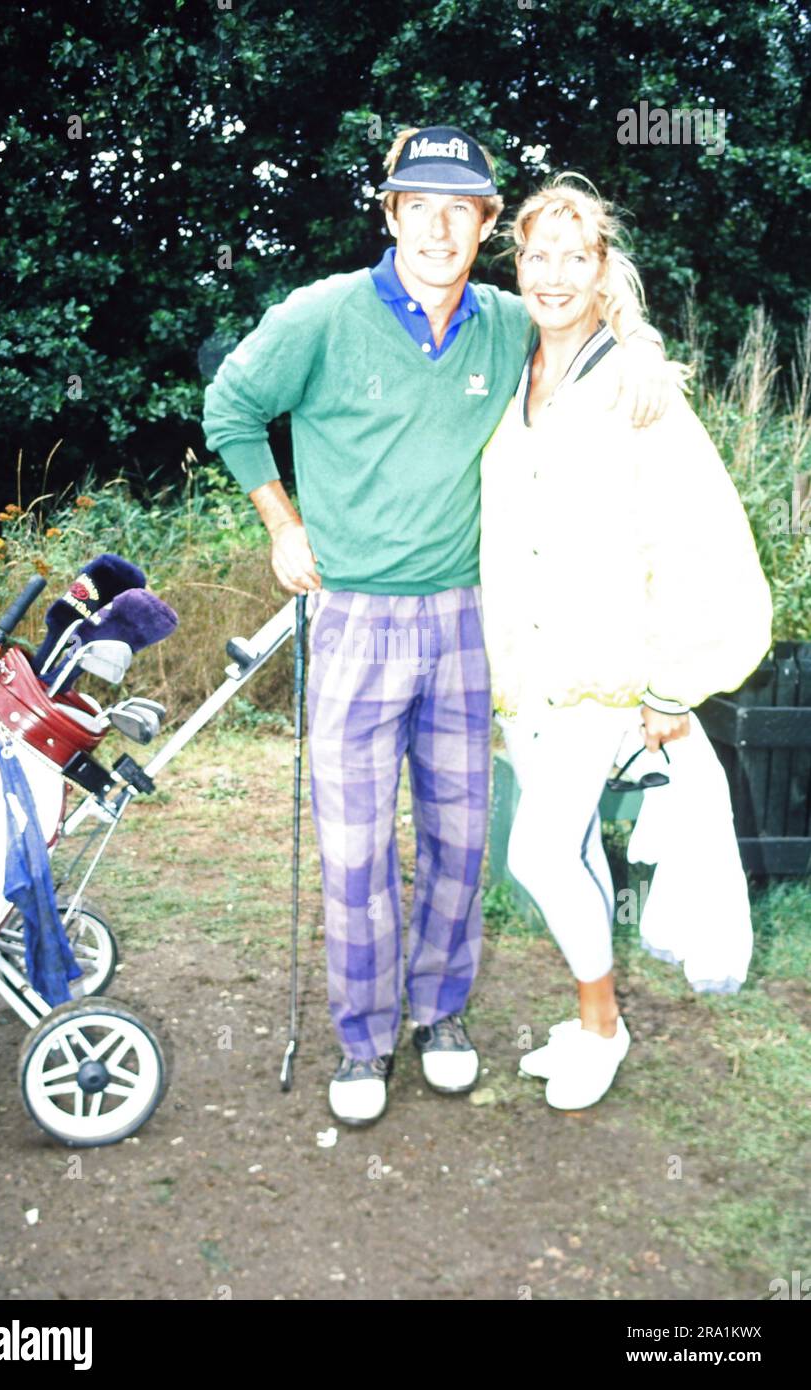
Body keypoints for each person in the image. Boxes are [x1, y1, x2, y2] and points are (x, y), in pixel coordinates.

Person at [203, 127, 670, 1127]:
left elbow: (586, 330)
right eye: (420, 205)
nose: (440, 225)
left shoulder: (505, 322)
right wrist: (282, 524)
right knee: (358, 848)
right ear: (391, 214)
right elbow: (231, 408)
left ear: (488, 225)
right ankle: (365, 1039)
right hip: (356, 619)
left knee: (461, 841)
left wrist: (638, 361)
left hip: (470, 620)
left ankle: (441, 1018)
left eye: (462, 208)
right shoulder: (324, 315)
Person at [479, 175, 772, 1111]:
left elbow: (702, 536)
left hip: (604, 669)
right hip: (525, 670)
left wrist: (677, 686)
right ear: (517, 265)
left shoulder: (639, 388)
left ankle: (604, 1028)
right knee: (573, 852)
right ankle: (584, 1016)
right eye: (538, 255)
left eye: (577, 256)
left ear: (604, 271)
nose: (555, 275)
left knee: (534, 855)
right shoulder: (510, 370)